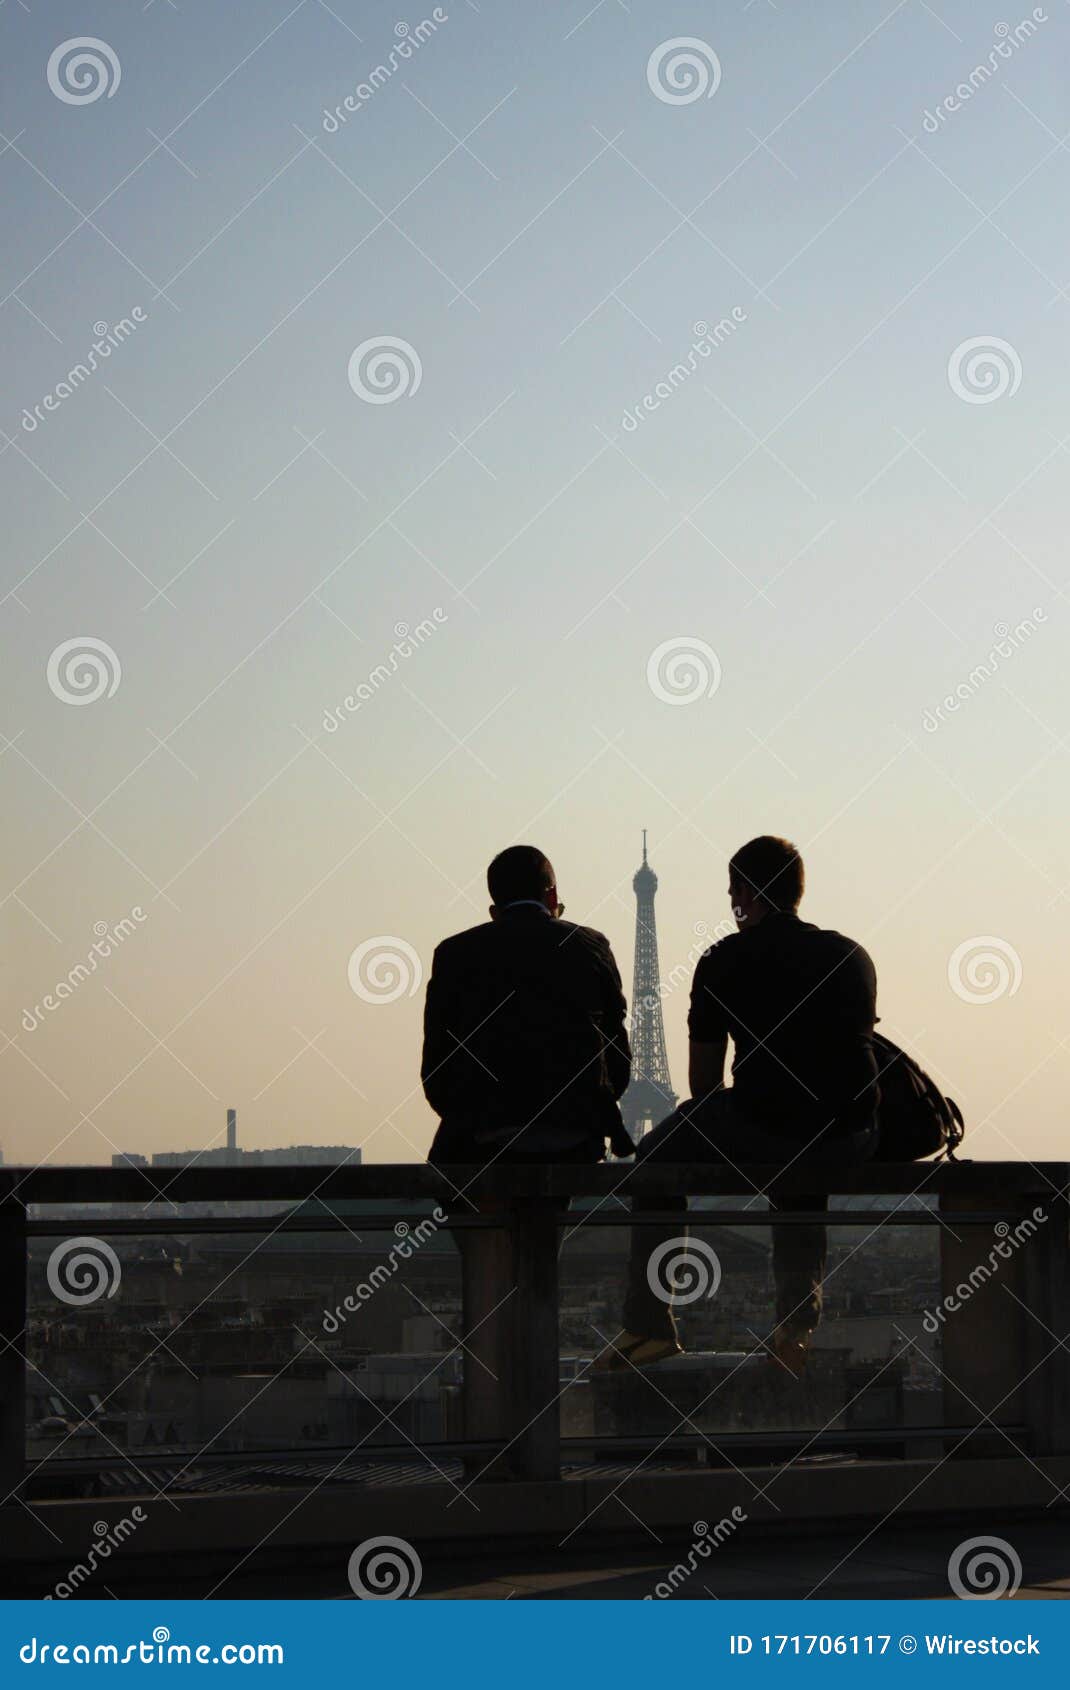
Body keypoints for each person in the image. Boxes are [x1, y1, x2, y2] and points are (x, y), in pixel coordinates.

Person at [597, 835, 881, 1375]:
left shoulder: (723, 959)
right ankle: (796, 1325)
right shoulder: (850, 954)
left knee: (655, 1160)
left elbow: (702, 1085)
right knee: (804, 1155)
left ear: (745, 893)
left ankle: (650, 1324)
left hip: (769, 1122)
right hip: (850, 1130)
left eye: (733, 892)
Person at [423, 845, 633, 1164]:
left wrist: (471, 1115)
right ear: (552, 895)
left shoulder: (454, 954)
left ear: (495, 910)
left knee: (451, 1186)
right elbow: (617, 1051)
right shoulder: (591, 946)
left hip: (485, 1131)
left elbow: (437, 1066)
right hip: (574, 1130)